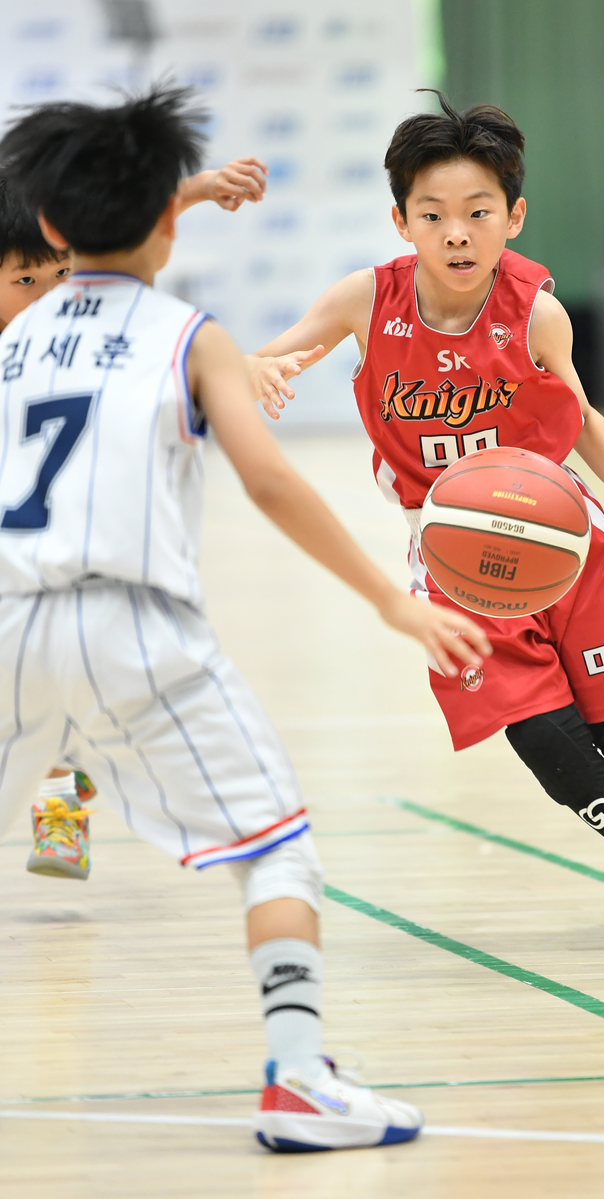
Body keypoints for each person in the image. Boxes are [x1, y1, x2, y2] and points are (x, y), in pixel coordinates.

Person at [0, 84, 492, 1151]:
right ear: (170, 223)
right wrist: (389, 600)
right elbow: (270, 483)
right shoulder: (191, 333)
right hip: (136, 628)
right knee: (276, 845)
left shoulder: (17, 336)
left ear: (44, 227)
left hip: (9, 625)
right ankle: (298, 1077)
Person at [246, 93, 604, 957]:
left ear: (514, 215)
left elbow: (580, 420)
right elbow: (276, 352)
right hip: (453, 560)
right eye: (433, 215)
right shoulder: (367, 301)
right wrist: (260, 370)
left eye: (478, 213)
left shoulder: (537, 311)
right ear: (401, 221)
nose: (458, 234)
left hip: (560, 536)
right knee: (543, 738)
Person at [0, 153, 269, 882]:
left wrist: (201, 190)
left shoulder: (95, 338)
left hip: (71, 569)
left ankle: (62, 809)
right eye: (25, 280)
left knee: (64, 682)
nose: (48, 293)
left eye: (59, 275)